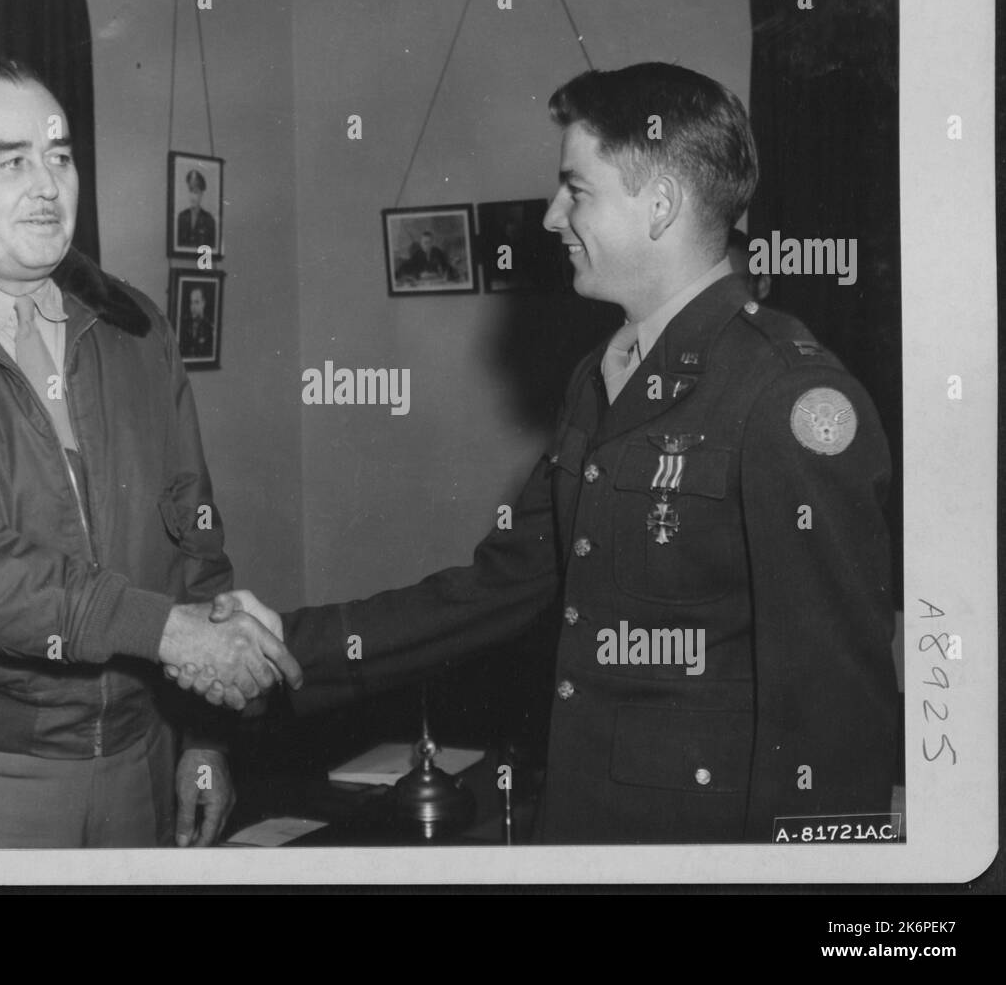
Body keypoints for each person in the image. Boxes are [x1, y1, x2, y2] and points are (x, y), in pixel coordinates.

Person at [183, 62, 900, 845]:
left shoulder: (785, 398)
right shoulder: (605, 376)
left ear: (659, 207)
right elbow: (500, 587)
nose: (554, 216)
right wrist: (287, 641)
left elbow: (837, 719)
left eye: (577, 190)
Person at [0, 58, 299, 849]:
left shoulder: (134, 327)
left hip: (144, 759)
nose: (47, 185)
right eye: (11, 161)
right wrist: (166, 632)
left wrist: (208, 739)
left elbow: (194, 536)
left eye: (60, 155)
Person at [176, 169, 217, 250]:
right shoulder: (181, 217)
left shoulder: (209, 219)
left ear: (201, 194)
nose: (192, 196)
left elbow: (212, 250)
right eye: (190, 191)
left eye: (196, 192)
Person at [180, 284, 214, 358]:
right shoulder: (184, 325)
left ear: (203, 303)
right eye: (191, 302)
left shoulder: (209, 327)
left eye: (196, 302)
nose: (193, 307)